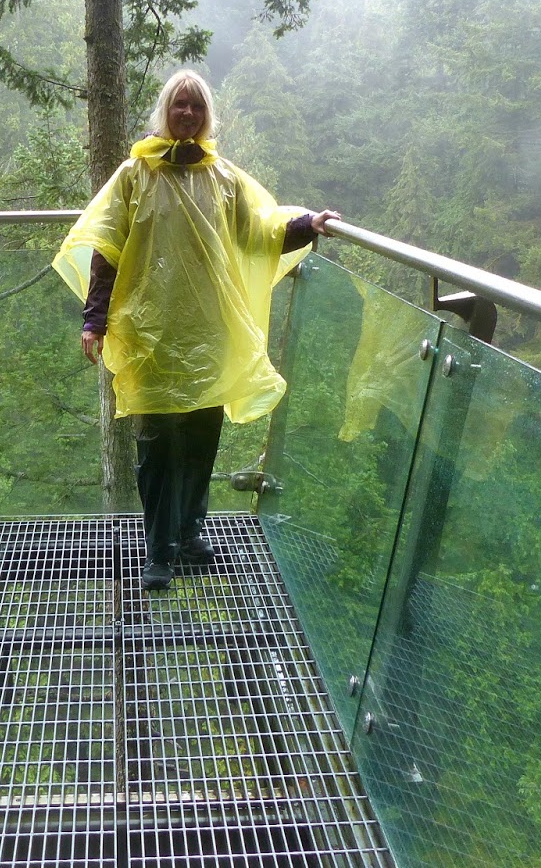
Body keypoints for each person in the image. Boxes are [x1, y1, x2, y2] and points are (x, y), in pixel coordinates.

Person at [52, 70, 339, 591]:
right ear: (165, 111)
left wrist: (307, 225)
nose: (187, 114)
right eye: (179, 104)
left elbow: (258, 233)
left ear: (207, 116)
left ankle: (189, 534)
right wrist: (95, 319)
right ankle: (158, 549)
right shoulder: (135, 175)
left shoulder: (223, 178)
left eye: (197, 106)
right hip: (151, 333)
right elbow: (107, 249)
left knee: (203, 437)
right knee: (158, 446)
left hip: (209, 330)